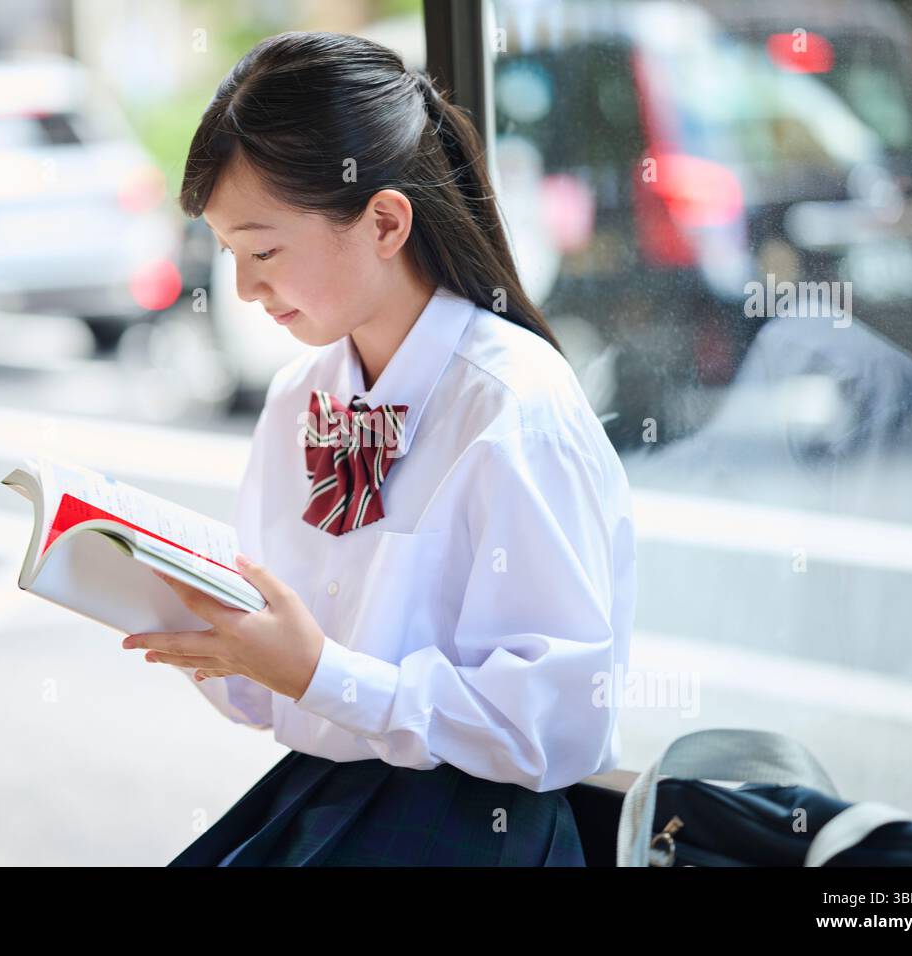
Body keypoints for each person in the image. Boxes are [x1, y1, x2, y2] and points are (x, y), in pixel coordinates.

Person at [122, 30, 636, 866]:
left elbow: (559, 730)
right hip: (329, 799)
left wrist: (323, 673)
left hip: (477, 833)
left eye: (263, 250)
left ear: (385, 220)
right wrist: (204, 634)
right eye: (229, 255)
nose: (245, 288)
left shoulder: (514, 408)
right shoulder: (299, 398)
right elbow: (274, 697)